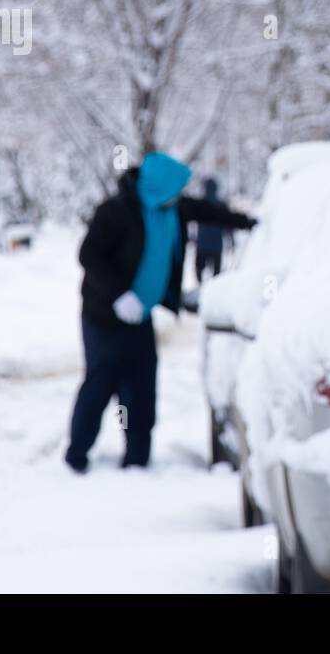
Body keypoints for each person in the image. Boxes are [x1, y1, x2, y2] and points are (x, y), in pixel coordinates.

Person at [65, 152, 256, 473]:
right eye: (174, 190)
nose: (179, 196)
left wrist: (249, 222)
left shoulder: (171, 208)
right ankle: (77, 456)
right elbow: (89, 255)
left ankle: (137, 459)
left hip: (140, 318)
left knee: (140, 386)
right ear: (156, 187)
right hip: (103, 316)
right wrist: (119, 296)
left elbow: (209, 212)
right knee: (101, 383)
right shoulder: (116, 212)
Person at [193, 176, 233, 283]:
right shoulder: (222, 205)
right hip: (216, 246)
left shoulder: (199, 204)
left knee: (199, 271)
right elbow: (229, 225)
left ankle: (200, 290)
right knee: (216, 275)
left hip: (202, 245)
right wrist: (231, 240)